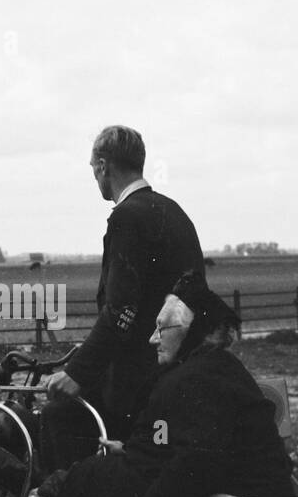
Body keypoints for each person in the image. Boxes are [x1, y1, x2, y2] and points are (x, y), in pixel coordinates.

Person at [35, 272, 297, 497]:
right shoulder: (217, 368)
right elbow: (188, 439)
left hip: (227, 485)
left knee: (82, 479)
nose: (153, 339)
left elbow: (201, 455)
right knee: (89, 474)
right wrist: (129, 449)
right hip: (235, 479)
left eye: (162, 329)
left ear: (192, 332)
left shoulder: (193, 378)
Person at [39, 126, 204, 471]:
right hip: (181, 371)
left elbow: (121, 311)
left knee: (58, 417)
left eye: (92, 169)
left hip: (136, 382)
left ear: (103, 166)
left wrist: (78, 372)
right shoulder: (176, 213)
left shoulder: (127, 217)